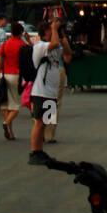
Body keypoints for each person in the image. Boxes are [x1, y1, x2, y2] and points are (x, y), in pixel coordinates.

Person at [29, 16, 72, 165]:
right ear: (45, 32)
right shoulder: (39, 46)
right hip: (41, 91)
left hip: (51, 91)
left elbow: (67, 55)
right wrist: (54, 29)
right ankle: (34, 152)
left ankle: (40, 151)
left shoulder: (54, 47)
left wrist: (63, 36)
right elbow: (53, 43)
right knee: (39, 122)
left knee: (46, 122)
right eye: (50, 31)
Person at [0, 20, 25, 141]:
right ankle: (6, 122)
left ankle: (11, 132)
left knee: (7, 105)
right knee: (17, 105)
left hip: (4, 75)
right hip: (16, 75)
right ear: (21, 33)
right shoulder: (22, 45)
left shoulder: (4, 45)